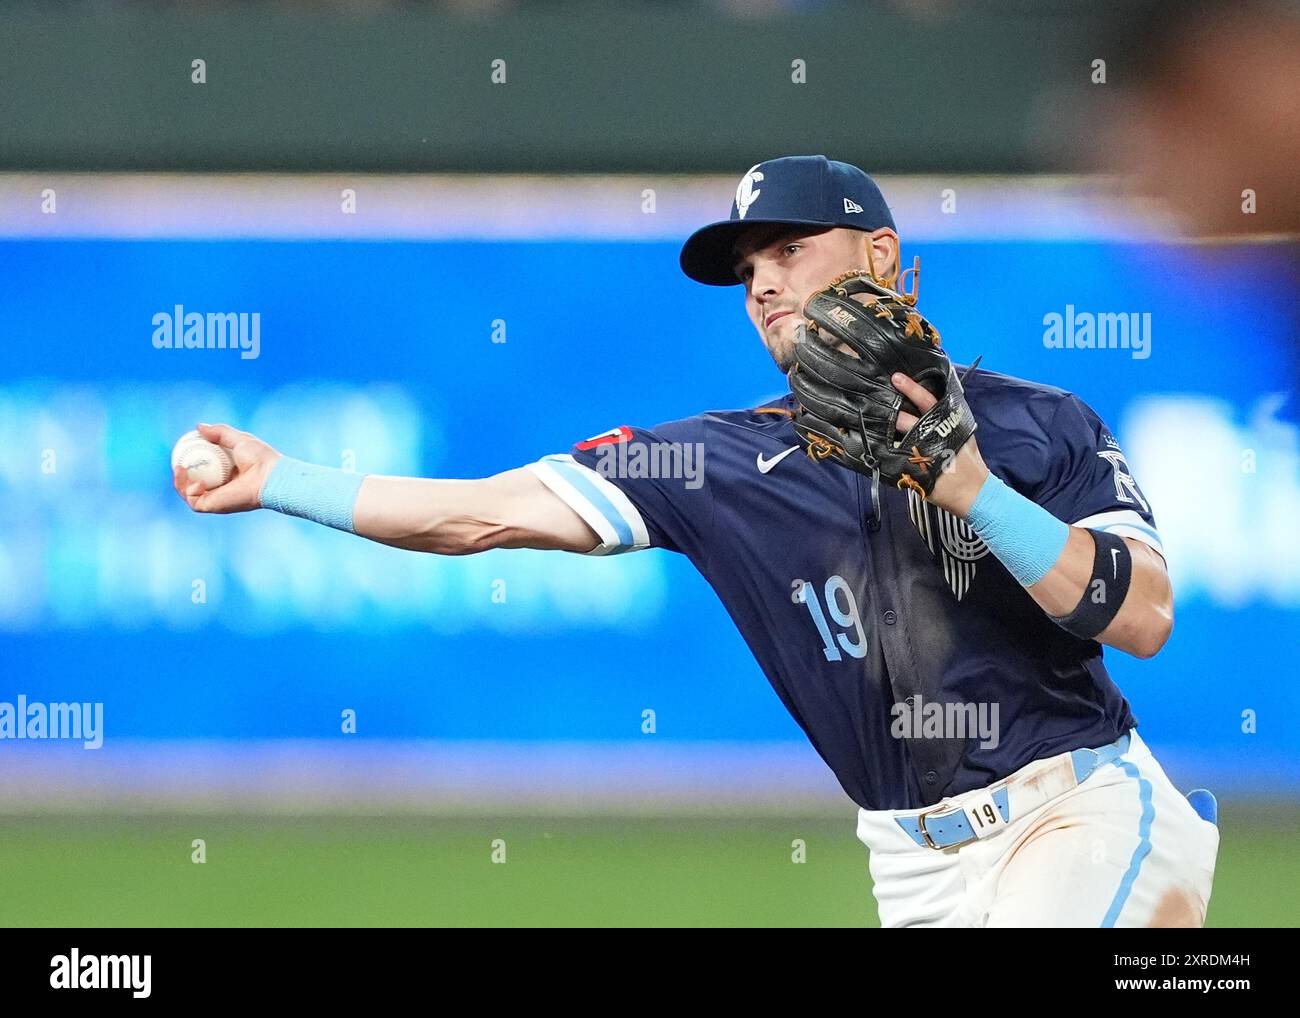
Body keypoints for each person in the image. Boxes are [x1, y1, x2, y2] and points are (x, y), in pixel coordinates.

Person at [173, 155, 1219, 928]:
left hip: (1078, 814)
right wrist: (281, 482)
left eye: (790, 249)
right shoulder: (719, 465)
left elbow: (1142, 615)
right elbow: (477, 512)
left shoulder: (1035, 423)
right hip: (909, 867)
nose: (763, 282)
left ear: (884, 259)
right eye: (748, 265)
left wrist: (968, 486)